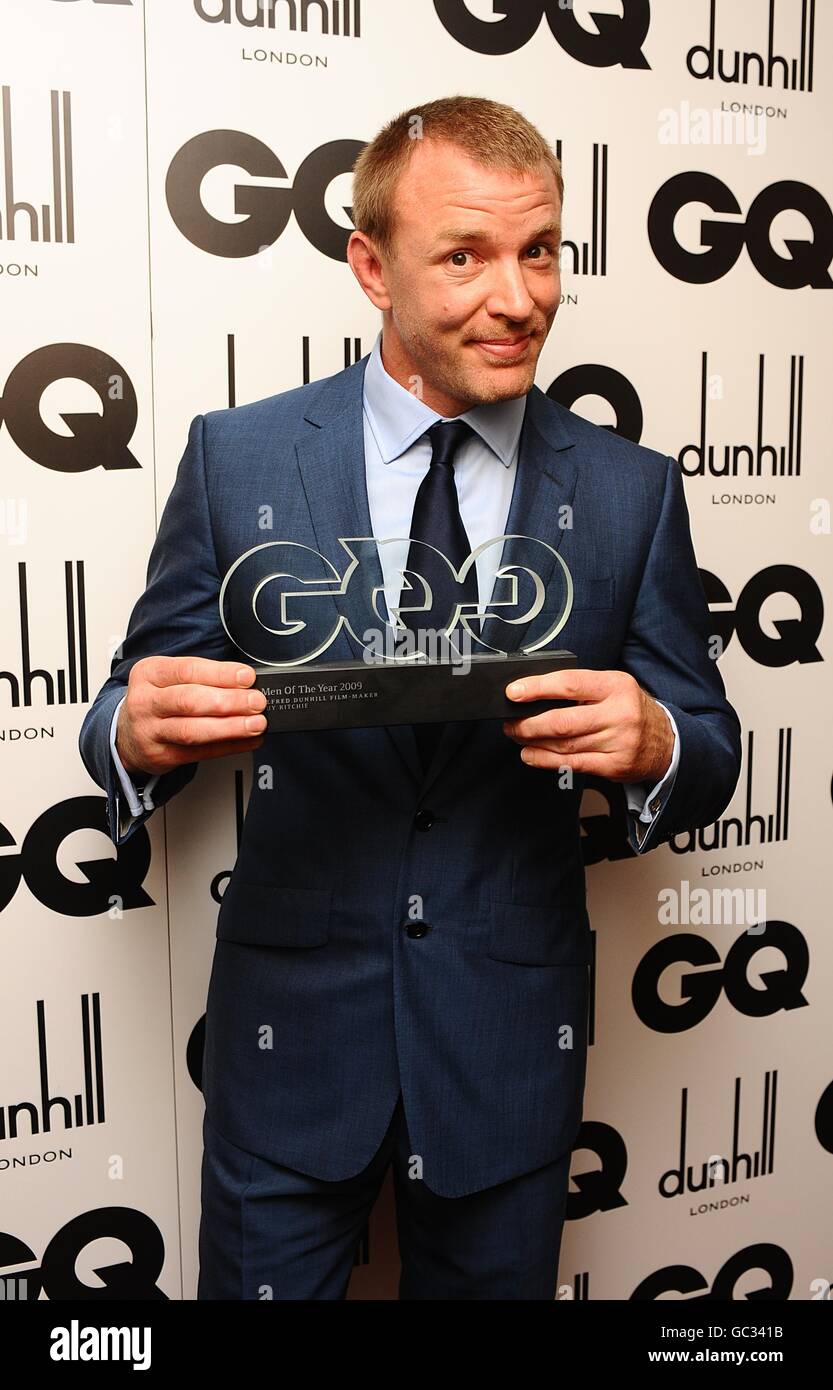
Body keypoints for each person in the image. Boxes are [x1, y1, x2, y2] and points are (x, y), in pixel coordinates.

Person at [78, 95, 742, 1300]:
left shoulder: (631, 491)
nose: (517, 296)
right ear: (370, 267)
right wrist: (129, 729)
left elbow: (706, 741)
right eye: (465, 256)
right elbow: (135, 696)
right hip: (288, 1050)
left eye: (538, 249)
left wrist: (654, 743)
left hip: (505, 1047)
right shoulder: (240, 458)